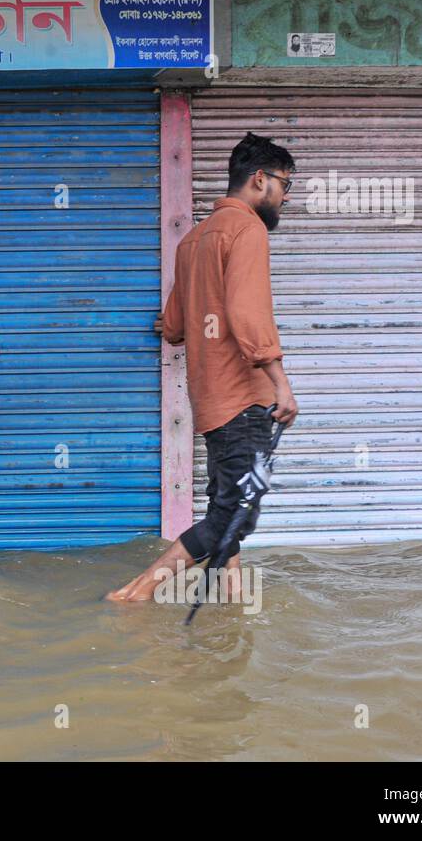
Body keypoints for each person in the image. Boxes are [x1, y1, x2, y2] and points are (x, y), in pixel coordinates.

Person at [107, 132, 300, 603]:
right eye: (284, 185)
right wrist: (281, 385)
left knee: (226, 507)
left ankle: (231, 604)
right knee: (235, 514)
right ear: (259, 180)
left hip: (211, 403)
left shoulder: (194, 240)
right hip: (244, 397)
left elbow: (172, 325)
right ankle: (135, 594)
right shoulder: (246, 230)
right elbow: (248, 315)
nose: (286, 197)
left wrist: (197, 309)